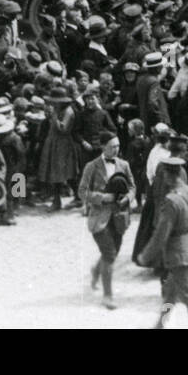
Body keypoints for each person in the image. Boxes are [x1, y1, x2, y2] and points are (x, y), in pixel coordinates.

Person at [139, 155, 188, 329]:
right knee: (170, 295)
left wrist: (146, 256)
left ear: (169, 175)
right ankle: (159, 327)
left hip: (179, 256)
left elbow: (162, 234)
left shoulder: (171, 201)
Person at [78, 131, 136, 309]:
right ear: (103, 147)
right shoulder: (92, 166)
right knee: (110, 254)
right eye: (112, 147)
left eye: (118, 146)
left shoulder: (123, 165)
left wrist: (127, 198)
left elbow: (132, 187)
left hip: (119, 217)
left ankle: (96, 271)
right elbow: (82, 192)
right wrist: (103, 198)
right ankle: (107, 296)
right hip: (100, 219)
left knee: (112, 253)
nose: (116, 150)